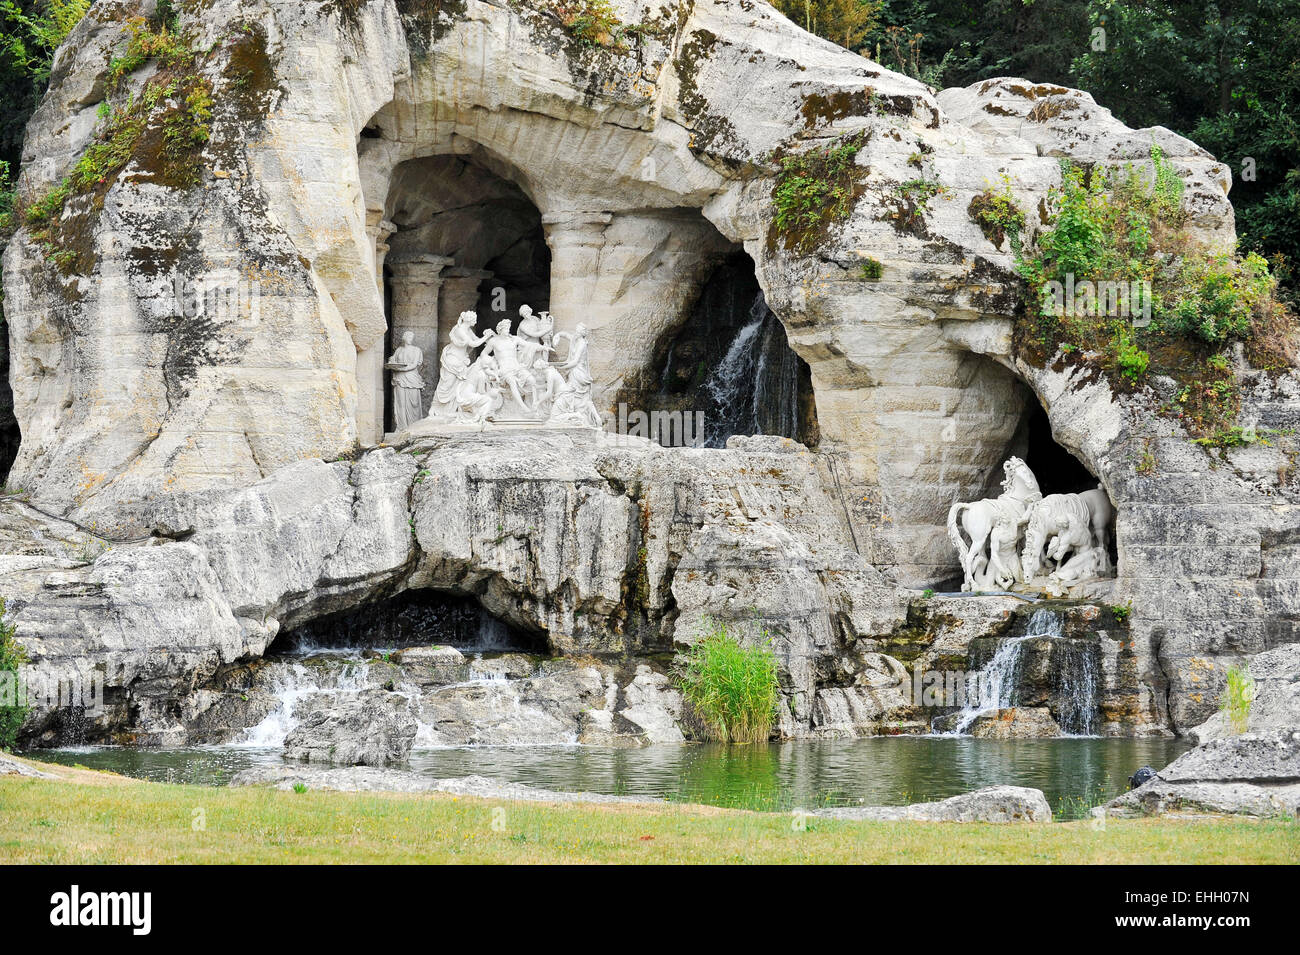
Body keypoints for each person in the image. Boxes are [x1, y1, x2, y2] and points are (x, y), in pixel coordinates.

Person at [385, 330, 424, 430]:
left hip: (412, 377)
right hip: (400, 378)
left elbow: (414, 364)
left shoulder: (416, 350)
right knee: (400, 403)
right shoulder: (399, 350)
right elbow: (392, 359)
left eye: (412, 338)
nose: (411, 339)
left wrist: (402, 369)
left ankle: (415, 426)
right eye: (409, 337)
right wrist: (391, 361)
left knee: (414, 403)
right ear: (404, 338)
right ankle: (401, 426)